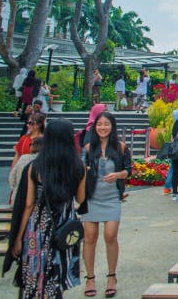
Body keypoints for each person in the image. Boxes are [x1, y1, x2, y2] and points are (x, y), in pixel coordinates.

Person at [9, 118, 86, 298]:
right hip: (65, 226)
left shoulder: (35, 167)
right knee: (56, 276)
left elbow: (28, 205)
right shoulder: (78, 166)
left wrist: (18, 238)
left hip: (39, 227)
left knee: (35, 275)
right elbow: (81, 199)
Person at [81, 111, 132, 298]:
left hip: (111, 198)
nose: (103, 127)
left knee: (110, 236)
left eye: (106, 124)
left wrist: (118, 175)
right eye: (99, 124)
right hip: (91, 198)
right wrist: (85, 170)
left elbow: (129, 170)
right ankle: (90, 278)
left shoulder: (120, 147)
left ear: (112, 127)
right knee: (89, 237)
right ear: (95, 127)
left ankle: (111, 276)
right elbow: (79, 169)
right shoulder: (87, 148)